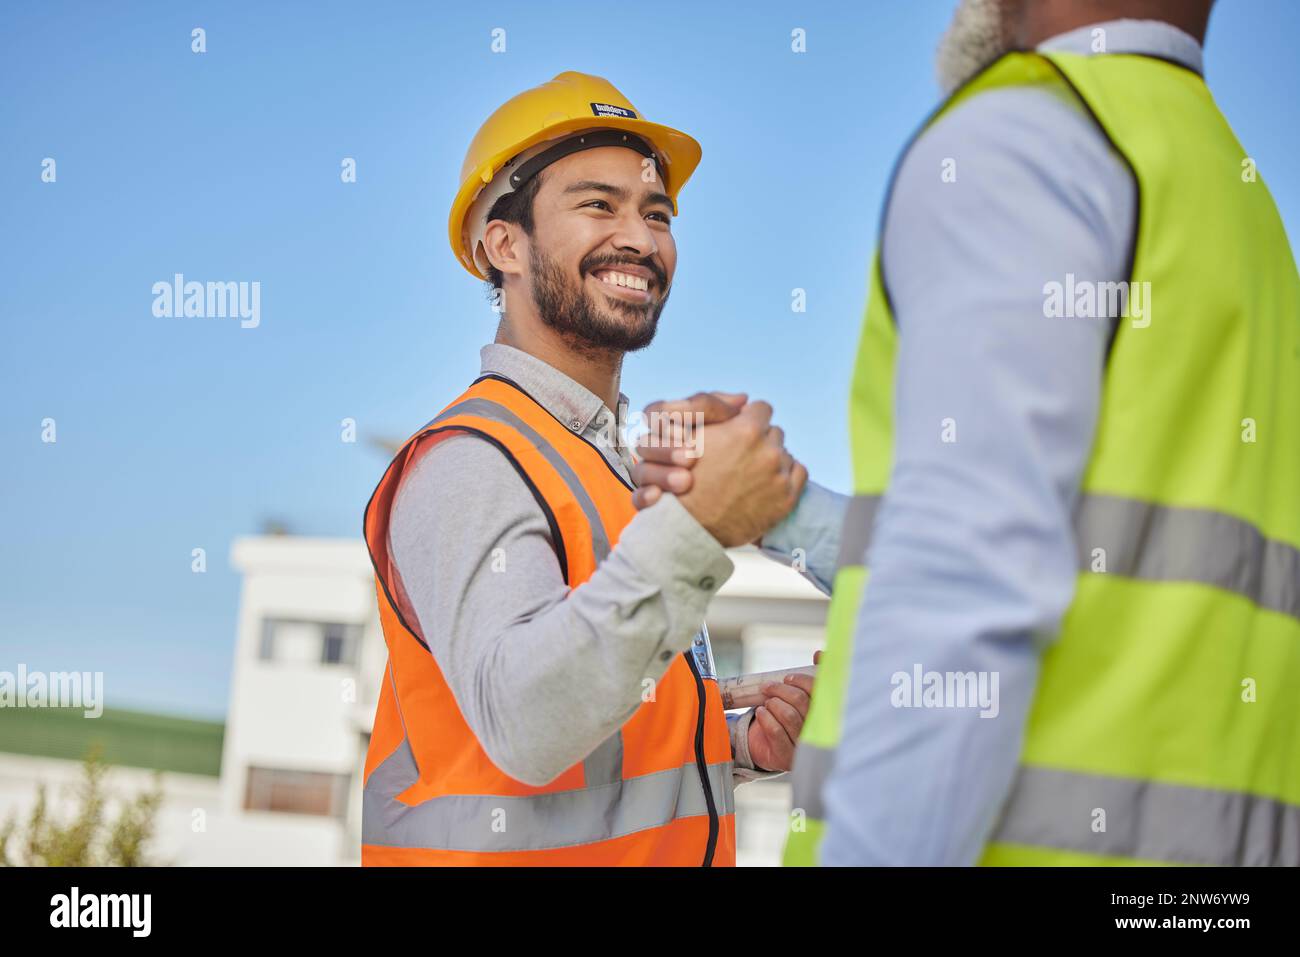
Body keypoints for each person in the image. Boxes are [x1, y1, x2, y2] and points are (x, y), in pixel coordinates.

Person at [633, 0, 1300, 866]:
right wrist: (782, 509)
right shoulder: (1238, 205)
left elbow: (968, 584)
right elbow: (1107, 549)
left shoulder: (1021, 139)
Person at [360, 71, 812, 866]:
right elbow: (527, 720)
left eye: (657, 213)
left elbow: (591, 725)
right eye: (598, 204)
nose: (640, 237)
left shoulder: (604, 467)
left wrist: (736, 740)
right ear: (505, 244)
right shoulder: (472, 458)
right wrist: (699, 528)